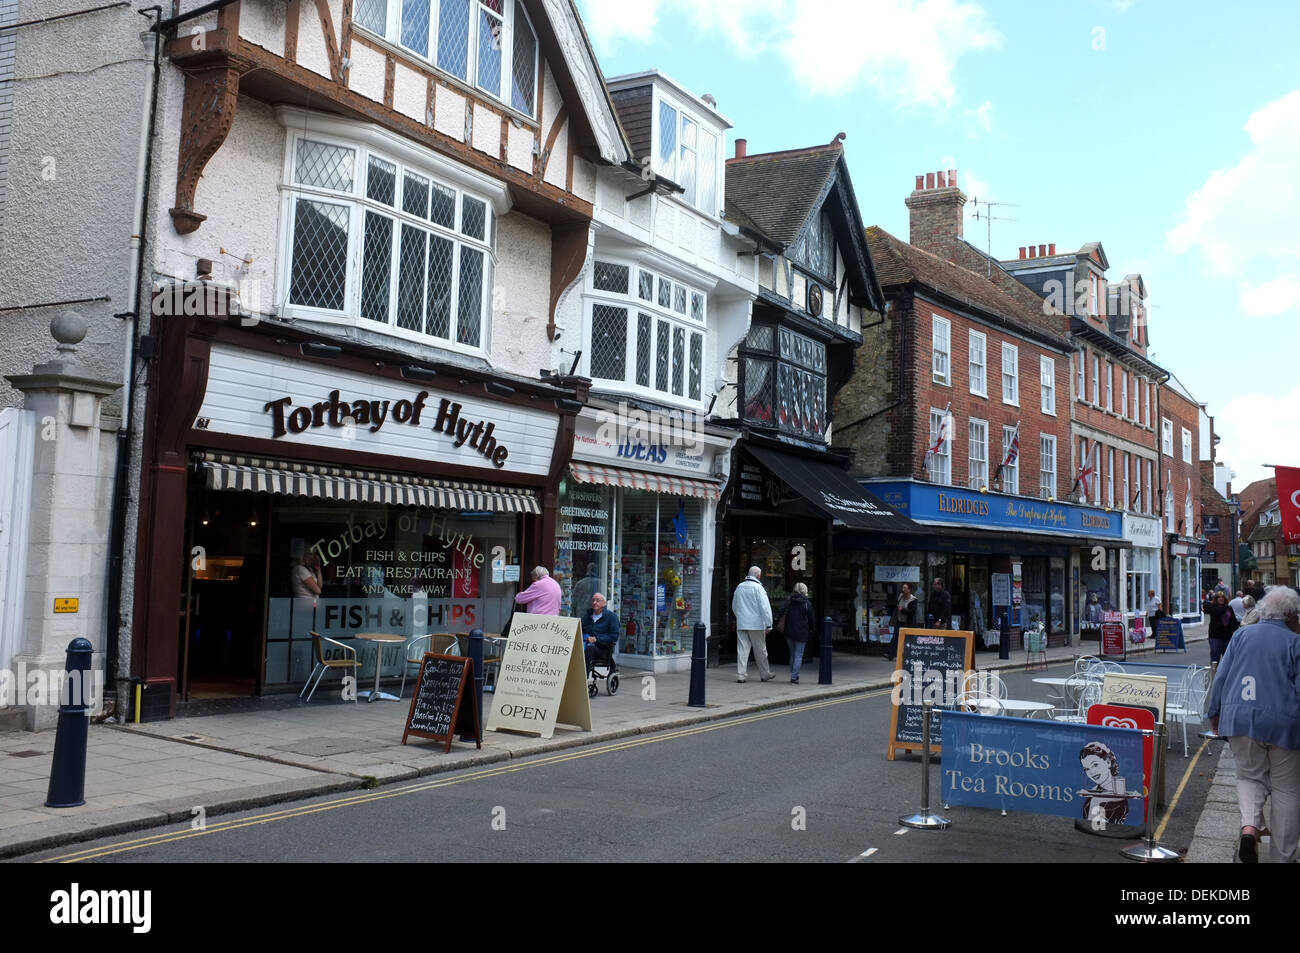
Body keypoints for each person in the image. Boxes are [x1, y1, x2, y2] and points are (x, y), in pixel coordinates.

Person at [1207, 586, 1300, 863]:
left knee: (1249, 776)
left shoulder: (1242, 635)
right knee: (1287, 789)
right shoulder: (1295, 643)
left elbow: (1221, 677)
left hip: (1240, 718)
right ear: (1290, 615)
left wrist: (1215, 712)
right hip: (1284, 725)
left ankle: (1249, 827)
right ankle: (1283, 858)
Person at [732, 566, 774, 683]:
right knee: (760, 650)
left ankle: (741, 675)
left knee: (742, 650)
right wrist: (769, 624)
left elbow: (734, 606)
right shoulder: (759, 588)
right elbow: (765, 608)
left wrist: (740, 617)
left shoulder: (739, 587)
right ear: (759, 576)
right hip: (756, 625)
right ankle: (765, 674)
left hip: (742, 623)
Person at [1079, 741, 1131, 826]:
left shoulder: (1118, 790)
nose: (1092, 772)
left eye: (1095, 765)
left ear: (1108, 762)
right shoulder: (1094, 790)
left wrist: (1097, 801)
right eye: (1087, 769)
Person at [778, 582, 815, 683]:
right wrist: (811, 629)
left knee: (793, 654)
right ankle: (794, 677)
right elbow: (811, 619)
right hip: (801, 632)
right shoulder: (807, 603)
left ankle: (793, 673)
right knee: (798, 655)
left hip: (789, 631)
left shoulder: (789, 601)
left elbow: (780, 611)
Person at [581, 593, 620, 673]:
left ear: (604, 604)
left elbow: (614, 636)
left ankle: (583, 678)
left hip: (603, 649)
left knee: (589, 649)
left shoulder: (611, 617)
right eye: (593, 600)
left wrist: (596, 639)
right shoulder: (587, 616)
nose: (594, 602)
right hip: (585, 645)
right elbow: (580, 629)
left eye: (597, 600)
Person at [1203, 590, 1237, 664]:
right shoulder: (1213, 607)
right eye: (1219, 597)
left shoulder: (1229, 608)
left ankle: (1226, 674)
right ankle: (1214, 673)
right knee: (1215, 657)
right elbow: (1217, 612)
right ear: (1216, 599)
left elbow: (1233, 621)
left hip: (1227, 636)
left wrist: (1235, 631)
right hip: (1215, 636)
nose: (1221, 599)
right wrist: (1225, 607)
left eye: (1222, 597)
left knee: (1227, 658)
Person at [885, 582, 918, 659]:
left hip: (908, 623)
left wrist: (902, 609)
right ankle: (890, 654)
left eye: (905, 588)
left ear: (909, 590)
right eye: (902, 588)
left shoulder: (913, 600)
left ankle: (909, 654)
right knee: (895, 637)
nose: (903, 590)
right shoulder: (900, 597)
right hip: (900, 621)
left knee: (908, 639)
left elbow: (912, 612)